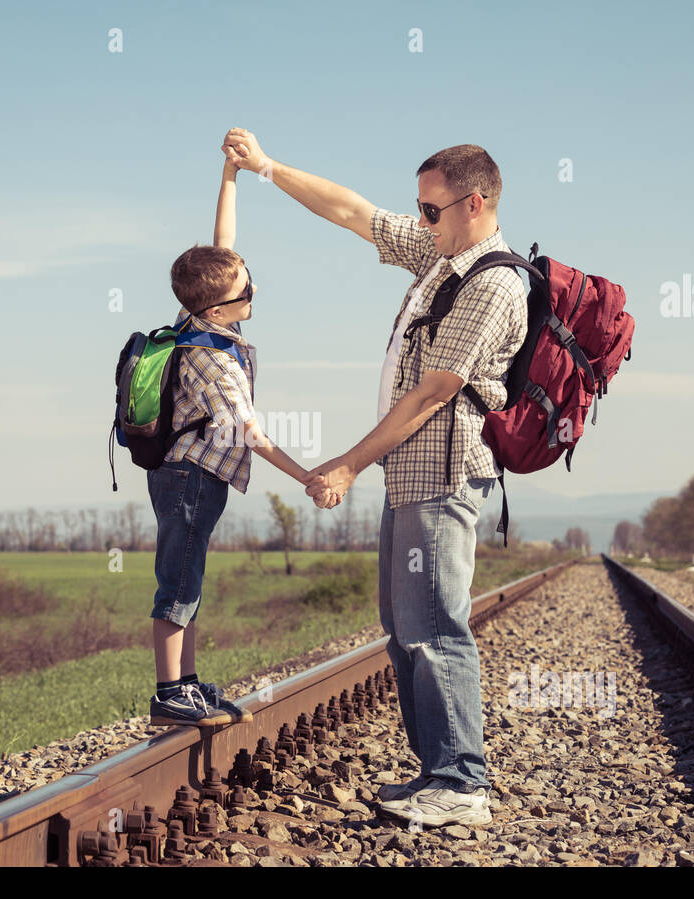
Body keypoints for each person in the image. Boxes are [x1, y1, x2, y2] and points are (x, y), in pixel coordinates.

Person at [222, 128, 526, 826]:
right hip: (410, 477)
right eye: (418, 209)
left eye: (430, 208)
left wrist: (347, 465)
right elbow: (354, 212)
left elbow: (432, 394)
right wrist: (266, 167)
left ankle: (461, 785)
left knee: (436, 628)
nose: (417, 220)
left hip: (441, 474)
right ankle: (437, 776)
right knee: (403, 627)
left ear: (473, 204)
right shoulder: (442, 254)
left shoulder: (492, 283)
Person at [147, 148, 326, 728]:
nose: (254, 294)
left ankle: (188, 684)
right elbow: (251, 434)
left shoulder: (197, 317)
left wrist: (231, 174)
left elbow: (221, 247)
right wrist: (311, 478)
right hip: (190, 477)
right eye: (250, 291)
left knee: (189, 576)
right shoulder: (213, 360)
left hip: (193, 474)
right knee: (178, 579)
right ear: (223, 306)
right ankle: (167, 692)